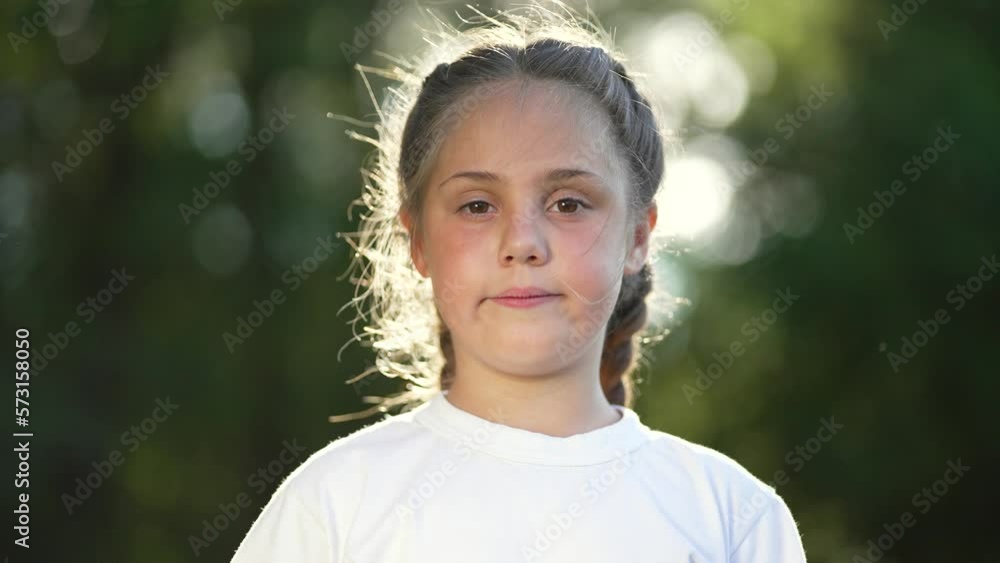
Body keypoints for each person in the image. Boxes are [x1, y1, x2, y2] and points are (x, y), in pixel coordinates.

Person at [231, 3, 808, 562]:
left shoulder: (734, 519)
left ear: (637, 236)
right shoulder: (335, 508)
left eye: (568, 202)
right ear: (419, 241)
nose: (522, 241)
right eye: (478, 205)